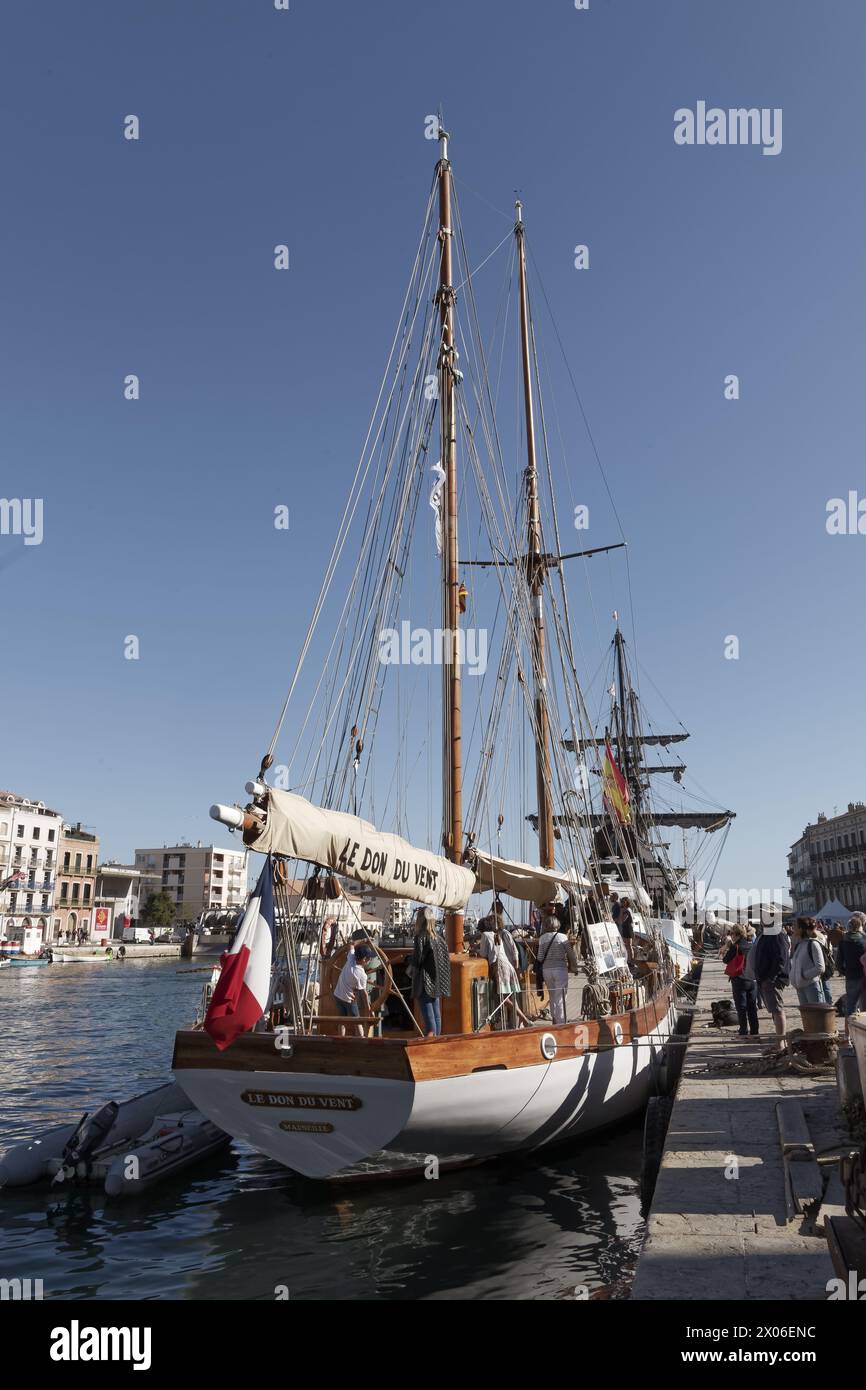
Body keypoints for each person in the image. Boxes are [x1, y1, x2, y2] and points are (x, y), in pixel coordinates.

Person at [478, 917, 529, 1029]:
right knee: (509, 996)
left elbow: (483, 954)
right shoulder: (496, 934)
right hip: (507, 965)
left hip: (499, 967)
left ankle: (523, 1018)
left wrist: (475, 950)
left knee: (503, 998)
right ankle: (521, 1018)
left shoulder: (485, 935)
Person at [410, 907, 451, 1037]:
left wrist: (407, 960)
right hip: (437, 981)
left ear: (420, 920)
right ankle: (437, 1042)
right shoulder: (440, 939)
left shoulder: (420, 937)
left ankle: (430, 1042)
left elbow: (417, 961)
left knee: (429, 1018)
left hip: (425, 982)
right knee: (436, 1016)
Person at [751, 919, 790, 1045]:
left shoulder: (777, 935)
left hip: (772, 980)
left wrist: (770, 978)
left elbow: (781, 959)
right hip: (764, 979)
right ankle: (779, 1042)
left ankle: (781, 1044)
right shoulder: (766, 934)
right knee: (774, 1010)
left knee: (778, 1010)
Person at [536, 913, 579, 1025]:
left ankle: (555, 1020)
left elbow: (540, 957)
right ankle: (560, 1023)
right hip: (560, 969)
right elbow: (571, 954)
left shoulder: (542, 938)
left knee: (552, 996)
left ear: (545, 925)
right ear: (557, 925)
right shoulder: (563, 937)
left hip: (547, 970)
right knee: (560, 997)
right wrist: (574, 967)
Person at [722, 925, 759, 1036]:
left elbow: (725, 960)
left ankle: (743, 1031)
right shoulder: (751, 944)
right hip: (752, 980)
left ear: (737, 934)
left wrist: (728, 948)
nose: (731, 936)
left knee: (741, 1007)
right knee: (752, 1007)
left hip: (739, 979)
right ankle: (755, 1031)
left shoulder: (735, 947)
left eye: (732, 934)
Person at [333, 941, 375, 1037]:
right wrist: (368, 1008)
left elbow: (351, 945)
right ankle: (361, 1040)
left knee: (342, 1020)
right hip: (348, 999)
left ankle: (340, 1039)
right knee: (357, 1021)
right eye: (369, 958)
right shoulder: (361, 974)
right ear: (364, 959)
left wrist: (362, 940)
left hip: (337, 995)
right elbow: (363, 993)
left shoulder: (351, 958)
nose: (370, 960)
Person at [789, 918, 831, 1006]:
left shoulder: (813, 944)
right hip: (800, 987)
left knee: (816, 1016)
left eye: (795, 926)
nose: (793, 928)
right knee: (807, 1018)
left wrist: (803, 975)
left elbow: (820, 967)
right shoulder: (799, 945)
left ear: (801, 929)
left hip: (811, 986)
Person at [836, 912, 866, 1023]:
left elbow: (838, 963)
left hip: (851, 976)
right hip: (864, 976)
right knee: (864, 1008)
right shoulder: (864, 940)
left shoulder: (843, 941)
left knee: (851, 1007)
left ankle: (848, 1036)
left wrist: (845, 972)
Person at [618, 897, 634, 962]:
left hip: (629, 929)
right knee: (626, 945)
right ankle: (628, 959)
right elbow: (620, 920)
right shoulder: (624, 910)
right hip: (625, 928)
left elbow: (622, 920)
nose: (623, 903)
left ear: (627, 902)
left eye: (624, 902)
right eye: (622, 902)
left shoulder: (627, 910)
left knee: (629, 946)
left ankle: (631, 960)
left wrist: (621, 911)